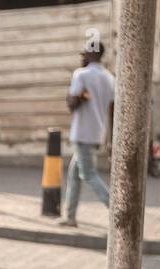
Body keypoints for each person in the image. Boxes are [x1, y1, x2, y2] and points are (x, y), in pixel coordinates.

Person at [58, 41, 115, 227]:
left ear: (90, 54)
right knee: (74, 173)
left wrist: (79, 96)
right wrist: (111, 138)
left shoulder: (81, 75)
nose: (82, 58)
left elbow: (71, 105)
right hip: (98, 131)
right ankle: (70, 216)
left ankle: (115, 209)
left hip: (82, 132)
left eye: (83, 54)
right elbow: (113, 109)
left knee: (88, 174)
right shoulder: (109, 77)